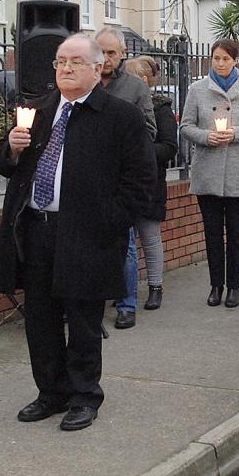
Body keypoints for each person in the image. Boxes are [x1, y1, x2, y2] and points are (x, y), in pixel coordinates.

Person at [0, 34, 153, 431]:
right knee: (40, 319)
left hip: (88, 233)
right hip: (37, 230)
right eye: (61, 61)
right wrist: (9, 147)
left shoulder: (120, 117)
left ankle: (84, 395)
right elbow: (7, 167)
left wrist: (109, 222)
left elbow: (141, 183)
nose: (65, 68)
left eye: (76, 62)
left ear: (98, 69)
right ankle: (50, 392)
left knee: (82, 319)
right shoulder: (37, 110)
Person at [179, 39, 239, 308]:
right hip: (208, 170)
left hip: (238, 169)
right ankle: (215, 285)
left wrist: (235, 134)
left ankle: (234, 287)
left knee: (236, 232)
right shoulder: (197, 89)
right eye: (216, 58)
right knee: (212, 232)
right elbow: (185, 126)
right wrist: (207, 137)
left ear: (235, 60)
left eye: (225, 59)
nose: (220, 63)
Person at [95, 26, 156, 330]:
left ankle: (126, 304)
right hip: (88, 177)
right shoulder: (85, 83)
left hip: (120, 178)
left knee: (126, 244)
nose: (105, 59)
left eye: (111, 53)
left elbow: (149, 131)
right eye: (101, 52)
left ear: (122, 54)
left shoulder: (135, 87)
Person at [123, 56, 178, 311]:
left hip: (150, 182)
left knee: (149, 237)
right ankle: (124, 288)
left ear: (144, 80)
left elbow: (169, 147)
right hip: (123, 182)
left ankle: (155, 286)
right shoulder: (120, 106)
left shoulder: (161, 108)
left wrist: (138, 151)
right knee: (124, 241)